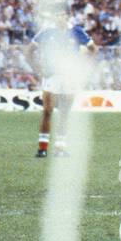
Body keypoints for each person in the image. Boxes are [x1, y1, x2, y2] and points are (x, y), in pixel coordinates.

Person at [30, 19, 95, 157]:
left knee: (64, 113)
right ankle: (42, 148)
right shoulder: (47, 31)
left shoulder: (76, 31)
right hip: (51, 76)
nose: (60, 16)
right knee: (48, 111)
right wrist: (37, 69)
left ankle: (60, 148)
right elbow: (30, 49)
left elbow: (93, 49)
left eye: (63, 13)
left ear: (67, 15)